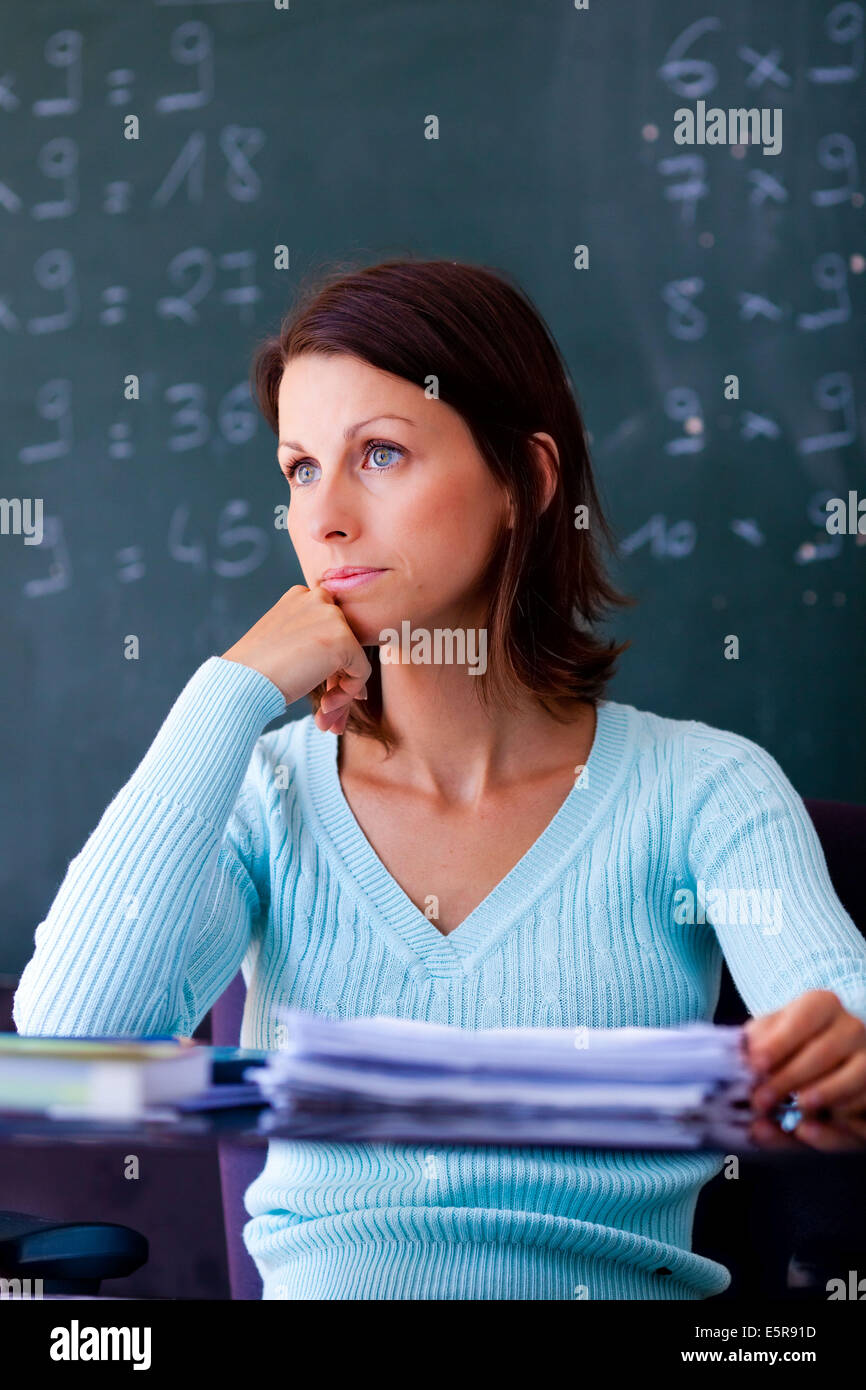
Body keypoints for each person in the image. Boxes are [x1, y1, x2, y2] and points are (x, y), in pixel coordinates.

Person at [13, 258, 866, 1301]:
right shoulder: (264, 801)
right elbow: (70, 1051)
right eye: (297, 469)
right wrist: (231, 693)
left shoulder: (704, 789)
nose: (323, 518)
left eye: (378, 453)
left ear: (526, 480)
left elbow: (844, 1016)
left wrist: (844, 1044)